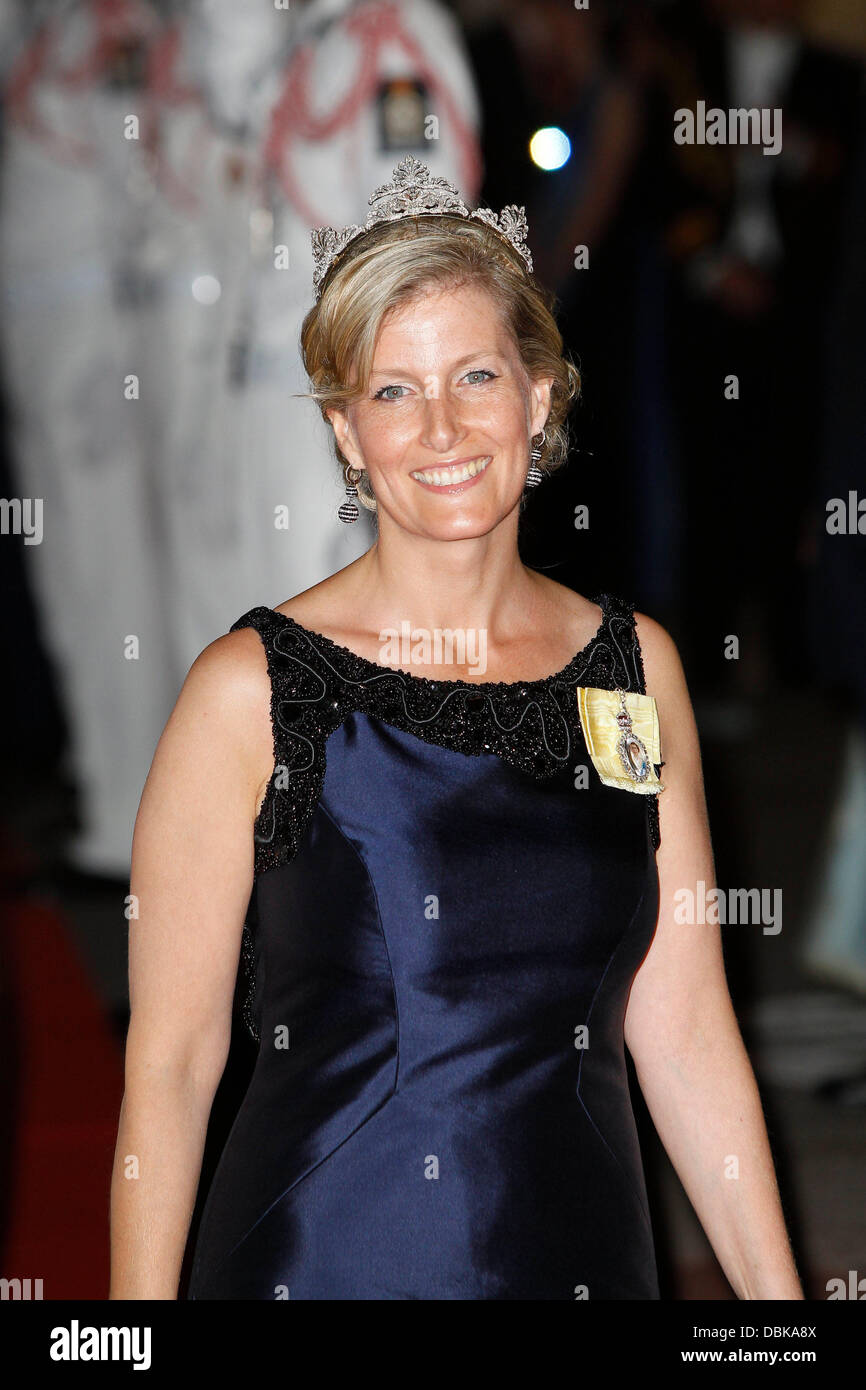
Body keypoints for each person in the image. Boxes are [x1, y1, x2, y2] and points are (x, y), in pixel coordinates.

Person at [110, 157, 804, 1300]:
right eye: (390, 391)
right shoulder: (249, 690)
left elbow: (681, 1027)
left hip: (582, 1257)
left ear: (538, 396)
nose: (439, 427)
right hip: (329, 1261)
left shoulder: (635, 672)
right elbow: (172, 1067)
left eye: (475, 375)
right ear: (344, 431)